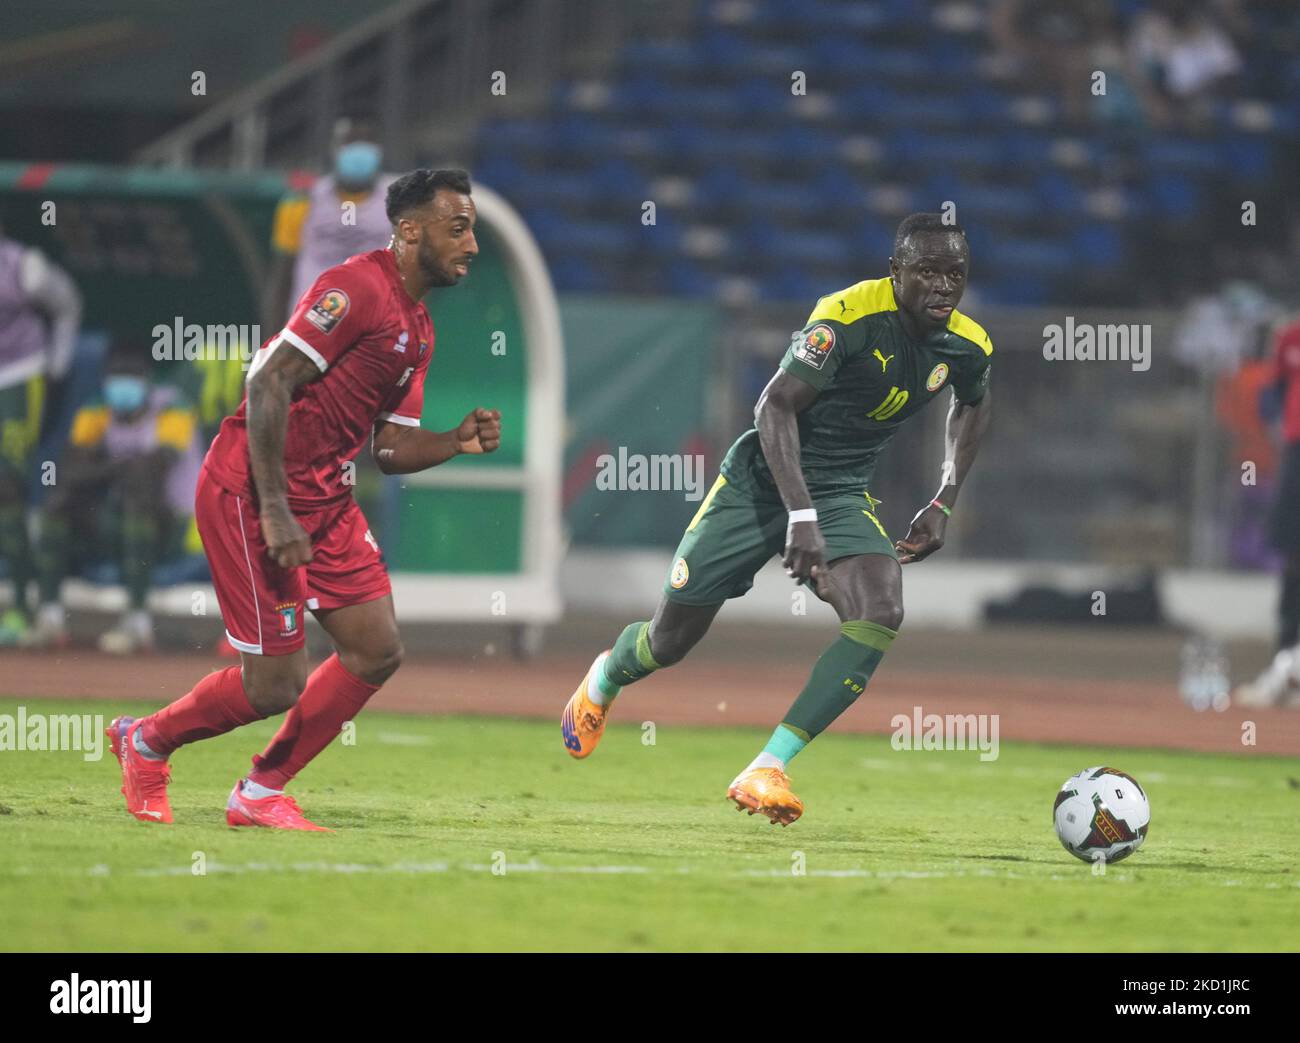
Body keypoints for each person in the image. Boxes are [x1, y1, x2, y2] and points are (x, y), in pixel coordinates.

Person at [562, 214, 994, 825]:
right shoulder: (844, 318)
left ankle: (768, 765)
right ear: (895, 271)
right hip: (760, 483)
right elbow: (774, 407)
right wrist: (800, 516)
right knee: (669, 642)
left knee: (880, 610)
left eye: (956, 273)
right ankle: (605, 677)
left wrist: (945, 497)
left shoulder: (968, 345)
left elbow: (973, 404)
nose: (944, 286)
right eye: (927, 271)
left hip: (841, 491)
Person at [107, 169, 502, 830]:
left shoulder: (419, 328)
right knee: (276, 684)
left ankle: (259, 792)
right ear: (409, 229)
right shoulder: (354, 289)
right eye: (458, 227)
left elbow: (390, 447)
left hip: (326, 499)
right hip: (251, 491)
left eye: (472, 228)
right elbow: (267, 383)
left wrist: (452, 442)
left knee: (376, 648)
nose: (472, 244)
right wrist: (274, 509)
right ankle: (146, 741)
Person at [31, 347, 202, 653]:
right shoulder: (98, 407)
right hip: (116, 517)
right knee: (58, 504)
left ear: (146, 381)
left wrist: (104, 467)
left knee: (138, 499)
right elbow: (70, 469)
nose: (121, 388)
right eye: (116, 379)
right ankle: (49, 618)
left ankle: (138, 623)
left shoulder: (173, 407)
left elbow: (153, 470)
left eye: (130, 379)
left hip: (174, 526)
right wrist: (119, 467)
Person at [0, 224, 81, 645]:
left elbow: (67, 304)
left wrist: (58, 366)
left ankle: (23, 606)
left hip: (19, 377)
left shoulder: (23, 265)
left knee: (8, 487)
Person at [263, 115, 395, 333]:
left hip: (373, 325)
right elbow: (282, 275)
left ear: (379, 149)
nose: (359, 150)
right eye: (352, 141)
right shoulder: (303, 201)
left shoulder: (398, 203)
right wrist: (271, 339)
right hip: (312, 323)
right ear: (336, 148)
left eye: (367, 141)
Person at [1234, 312, 1300, 707]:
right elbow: (1270, 393)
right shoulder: (1290, 337)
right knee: (1293, 555)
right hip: (1297, 450)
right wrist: (1274, 421)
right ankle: (1285, 665)